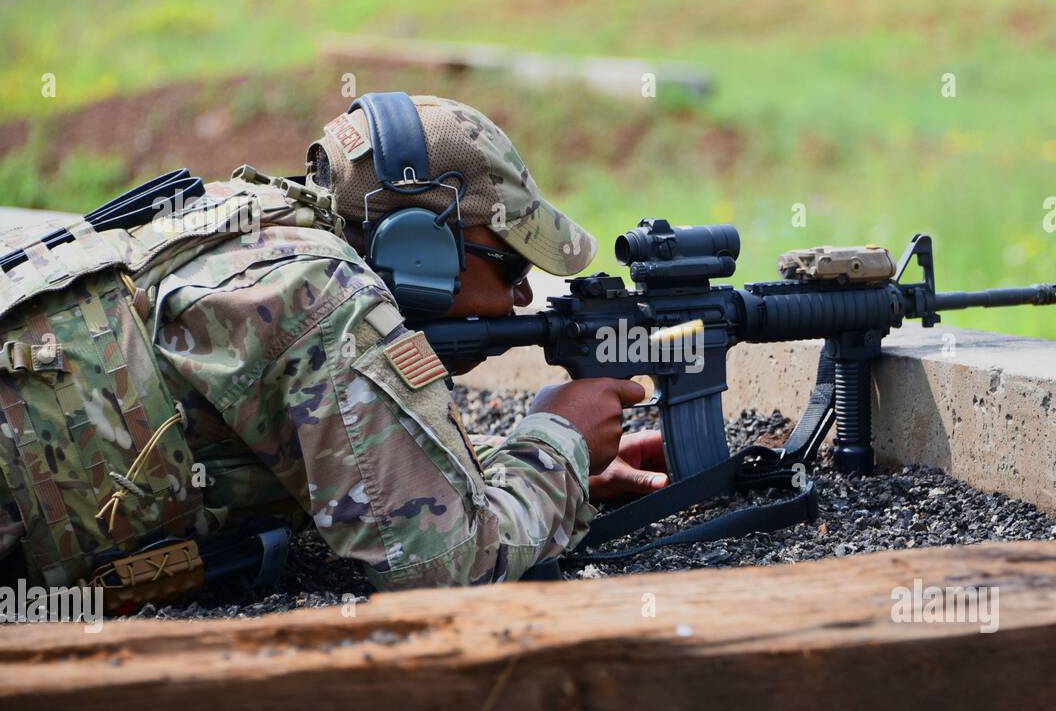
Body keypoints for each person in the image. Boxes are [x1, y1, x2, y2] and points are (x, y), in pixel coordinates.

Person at [0, 91, 667, 595]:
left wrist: (511, 461)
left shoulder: (250, 217)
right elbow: (437, 571)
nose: (521, 299)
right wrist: (558, 442)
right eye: (512, 268)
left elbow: (335, 457)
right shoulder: (328, 301)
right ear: (420, 250)